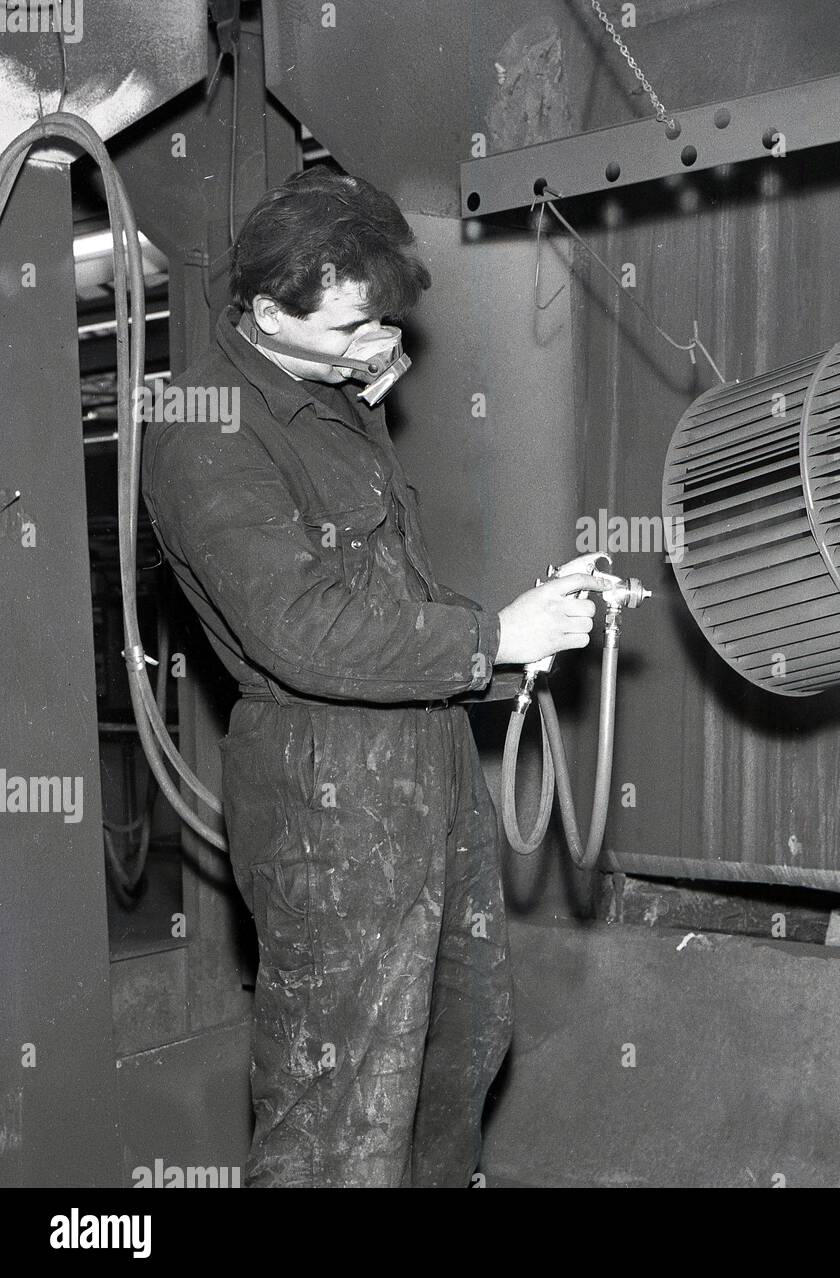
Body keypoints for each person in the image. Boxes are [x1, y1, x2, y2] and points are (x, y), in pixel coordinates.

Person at [142, 166, 607, 1187]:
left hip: (419, 761)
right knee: (340, 1103)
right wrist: (492, 639)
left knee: (457, 1045)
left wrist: (515, 635)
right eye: (356, 327)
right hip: (327, 801)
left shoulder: (331, 389)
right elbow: (301, 630)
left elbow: (381, 591)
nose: (383, 348)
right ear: (267, 312)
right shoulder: (204, 431)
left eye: (387, 322)